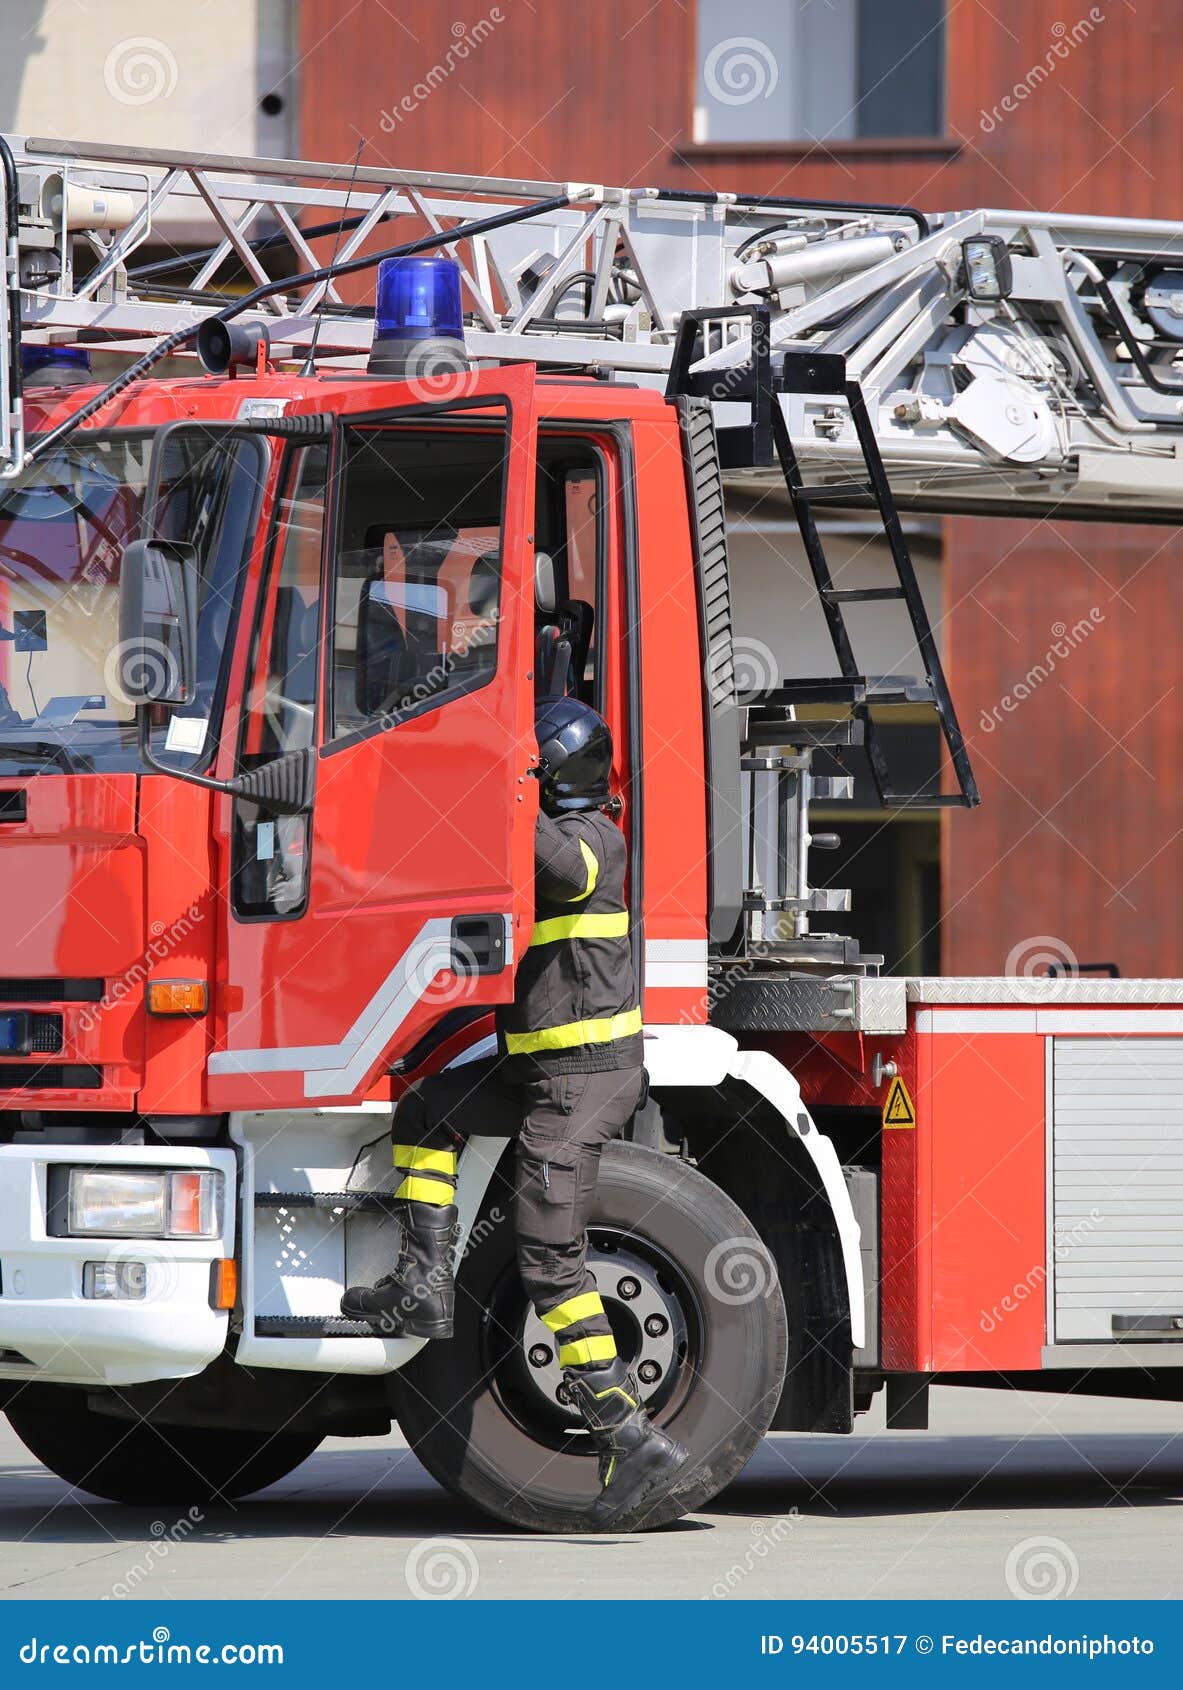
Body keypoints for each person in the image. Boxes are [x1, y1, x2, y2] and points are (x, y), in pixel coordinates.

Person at [342, 695, 688, 1528]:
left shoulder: (593, 845)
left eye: (537, 768)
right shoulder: (558, 840)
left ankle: (626, 1432)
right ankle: (424, 1282)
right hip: (538, 1069)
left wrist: (494, 775)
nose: (525, 780)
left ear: (559, 774)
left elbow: (539, 851)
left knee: (548, 1261)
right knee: (429, 1109)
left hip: (584, 1079)